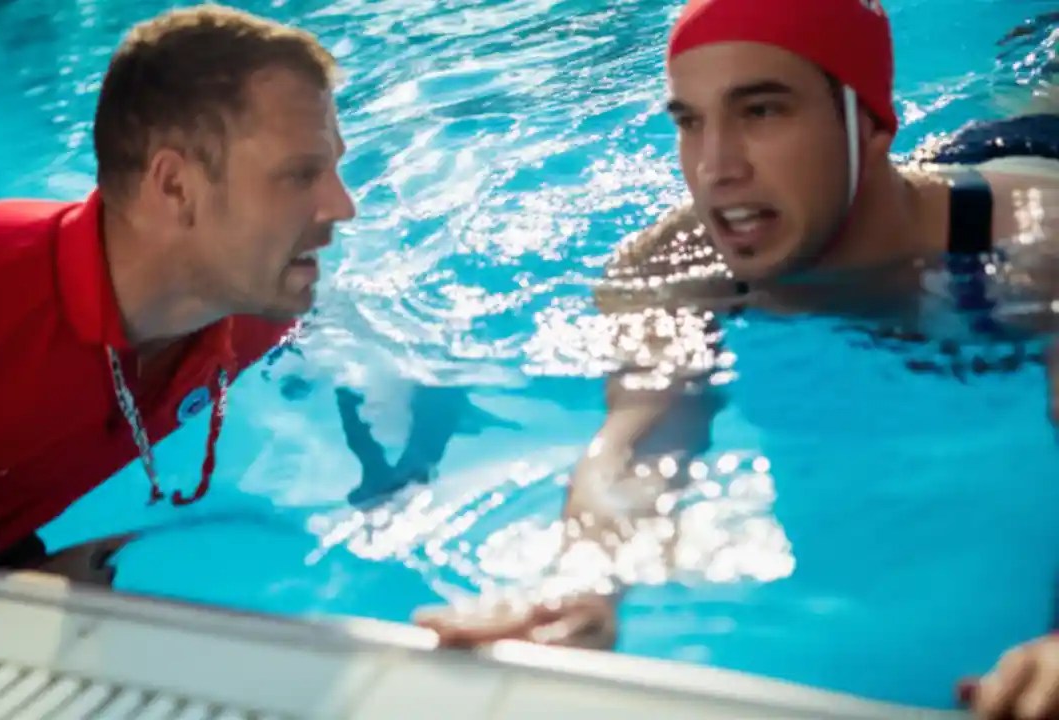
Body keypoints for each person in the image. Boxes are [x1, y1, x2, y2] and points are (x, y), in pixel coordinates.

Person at [416, 0, 1059, 717]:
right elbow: (640, 436)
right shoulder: (671, 267)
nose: (715, 167)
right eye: (689, 121)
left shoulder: (1038, 251)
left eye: (761, 111)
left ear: (873, 122)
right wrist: (584, 579)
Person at [0, 4, 355, 584]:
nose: (343, 207)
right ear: (175, 185)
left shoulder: (255, 303)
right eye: (300, 176)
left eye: (334, 169)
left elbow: (354, 350)